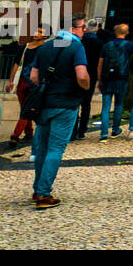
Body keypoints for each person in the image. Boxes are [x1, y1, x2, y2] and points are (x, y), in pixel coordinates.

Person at [28, 12, 91, 208]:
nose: (84, 31)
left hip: (45, 103)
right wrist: (86, 86)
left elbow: (33, 76)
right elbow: (81, 75)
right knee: (56, 149)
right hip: (66, 104)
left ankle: (38, 188)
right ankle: (44, 194)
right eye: (83, 27)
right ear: (73, 28)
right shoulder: (76, 46)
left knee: (42, 149)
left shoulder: (47, 46)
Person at [97, 24, 133, 140]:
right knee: (119, 105)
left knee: (105, 107)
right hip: (121, 78)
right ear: (127, 32)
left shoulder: (107, 45)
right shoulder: (128, 45)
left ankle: (103, 133)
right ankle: (115, 129)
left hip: (107, 78)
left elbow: (100, 64)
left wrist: (99, 79)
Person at [8, 26, 47, 147]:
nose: (36, 33)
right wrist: (11, 81)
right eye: (36, 30)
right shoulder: (24, 47)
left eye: (40, 32)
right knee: (24, 107)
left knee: (27, 108)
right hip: (22, 81)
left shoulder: (45, 49)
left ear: (46, 36)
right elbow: (16, 64)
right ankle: (29, 132)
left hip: (35, 82)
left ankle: (15, 135)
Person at [73, 20, 105, 139]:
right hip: (91, 75)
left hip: (78, 73)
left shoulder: (79, 41)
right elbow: (99, 62)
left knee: (75, 102)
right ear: (96, 29)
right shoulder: (100, 43)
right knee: (86, 104)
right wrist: (99, 78)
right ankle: (82, 130)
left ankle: (73, 129)